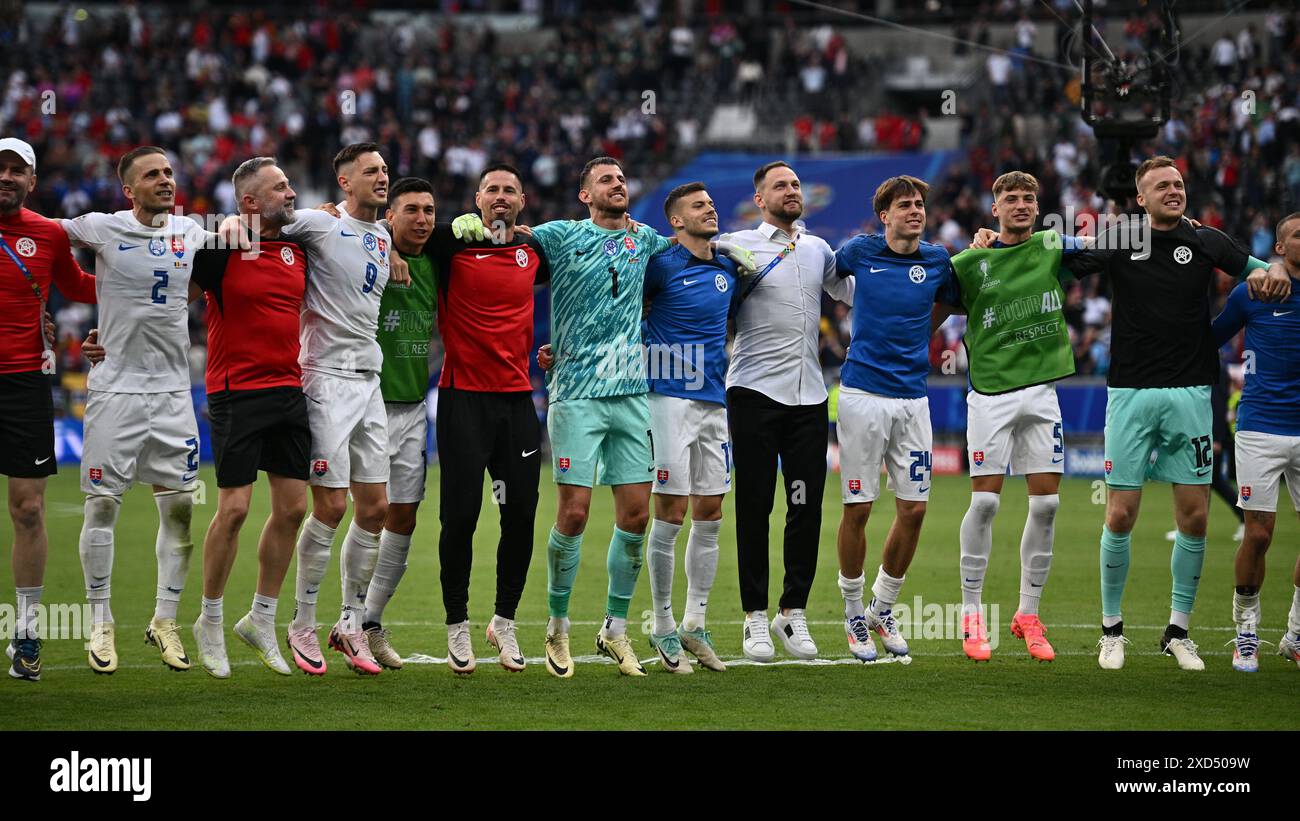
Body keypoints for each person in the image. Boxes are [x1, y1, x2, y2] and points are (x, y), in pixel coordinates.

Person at [1076, 156, 1291, 671]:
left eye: (1178, 184)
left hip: (1191, 391)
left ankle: (1178, 630)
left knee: (1194, 518)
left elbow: (1262, 271)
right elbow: (1061, 257)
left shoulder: (1207, 240)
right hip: (1129, 391)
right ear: (1141, 196)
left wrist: (1278, 266)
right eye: (1161, 186)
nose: (1173, 191)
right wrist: (996, 241)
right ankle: (1111, 630)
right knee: (1120, 513)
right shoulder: (1120, 237)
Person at [224, 143, 407, 676]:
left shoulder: (381, 232)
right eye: (370, 171)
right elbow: (265, 224)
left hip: (369, 381)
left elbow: (374, 251)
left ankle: (349, 623)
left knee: (375, 509)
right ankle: (299, 620)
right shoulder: (317, 223)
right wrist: (242, 225)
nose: (382, 176)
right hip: (324, 379)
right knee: (328, 507)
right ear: (344, 183)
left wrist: (392, 250)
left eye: (384, 170)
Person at [939, 171, 1094, 662]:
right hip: (989, 396)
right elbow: (929, 310)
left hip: (1043, 393)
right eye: (1011, 198)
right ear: (995, 207)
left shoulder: (1053, 246)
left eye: (1029, 197)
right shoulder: (969, 262)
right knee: (985, 505)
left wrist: (1165, 228)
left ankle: (1028, 614)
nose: (1022, 204)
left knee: (1047, 506)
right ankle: (970, 614)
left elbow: (1104, 246)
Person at [719, 161, 854, 662]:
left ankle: (791, 612)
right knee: (754, 507)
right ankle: (754, 616)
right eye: (781, 185)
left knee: (806, 507)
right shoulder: (734, 246)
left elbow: (858, 293)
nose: (792, 190)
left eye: (796, 184)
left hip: (809, 399)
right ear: (760, 198)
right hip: (752, 393)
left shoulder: (819, 250)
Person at [418, 165, 549, 674]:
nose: (500, 197)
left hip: (517, 404)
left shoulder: (534, 251)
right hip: (462, 400)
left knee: (519, 516)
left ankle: (505, 621)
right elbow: (397, 232)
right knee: (462, 517)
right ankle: (457, 624)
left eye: (508, 191)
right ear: (477, 198)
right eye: (491, 190)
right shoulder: (451, 243)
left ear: (522, 200)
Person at [186, 157, 309, 678]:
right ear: (250, 202)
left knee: (293, 509)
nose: (290, 192)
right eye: (279, 187)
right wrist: (222, 226)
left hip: (290, 389)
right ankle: (208, 619)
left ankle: (261, 618)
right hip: (236, 391)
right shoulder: (222, 246)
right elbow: (174, 294)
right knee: (234, 509)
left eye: (289, 183)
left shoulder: (300, 246)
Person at [832, 175, 959, 662]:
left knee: (915, 510)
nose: (914, 211)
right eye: (904, 205)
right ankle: (850, 613)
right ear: (883, 215)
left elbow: (949, 298)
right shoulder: (859, 252)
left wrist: (918, 329)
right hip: (862, 395)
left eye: (919, 204)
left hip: (914, 400)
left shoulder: (937, 259)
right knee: (858, 510)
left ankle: (881, 609)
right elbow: (827, 277)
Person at [0, 137, 97, 682]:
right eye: (0, 169)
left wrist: (163, 279)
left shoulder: (50, 233)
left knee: (29, 509)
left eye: (18, 170)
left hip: (23, 385)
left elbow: (81, 285)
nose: (7, 177)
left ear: (33, 182)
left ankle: (27, 632)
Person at [641, 182, 739, 674]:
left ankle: (693, 622)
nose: (710, 207)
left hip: (713, 402)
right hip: (667, 400)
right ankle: (660, 623)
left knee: (712, 510)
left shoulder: (727, 266)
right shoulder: (660, 264)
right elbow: (628, 312)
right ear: (676, 221)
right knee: (672, 510)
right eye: (699, 205)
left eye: (711, 201)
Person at [354, 176, 438, 671]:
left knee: (402, 517)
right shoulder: (369, 249)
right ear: (390, 215)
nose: (423, 219)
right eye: (411, 210)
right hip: (367, 403)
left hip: (412, 407)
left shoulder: (441, 257)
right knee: (360, 510)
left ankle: (369, 622)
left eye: (429, 210)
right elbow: (331, 219)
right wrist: (383, 247)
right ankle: (331, 619)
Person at [1212, 211, 1300, 672]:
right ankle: (1246, 631)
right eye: (1298, 235)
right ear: (1279, 248)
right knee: (1260, 534)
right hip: (1261, 427)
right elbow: (1208, 339)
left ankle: (1295, 634)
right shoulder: (1252, 293)